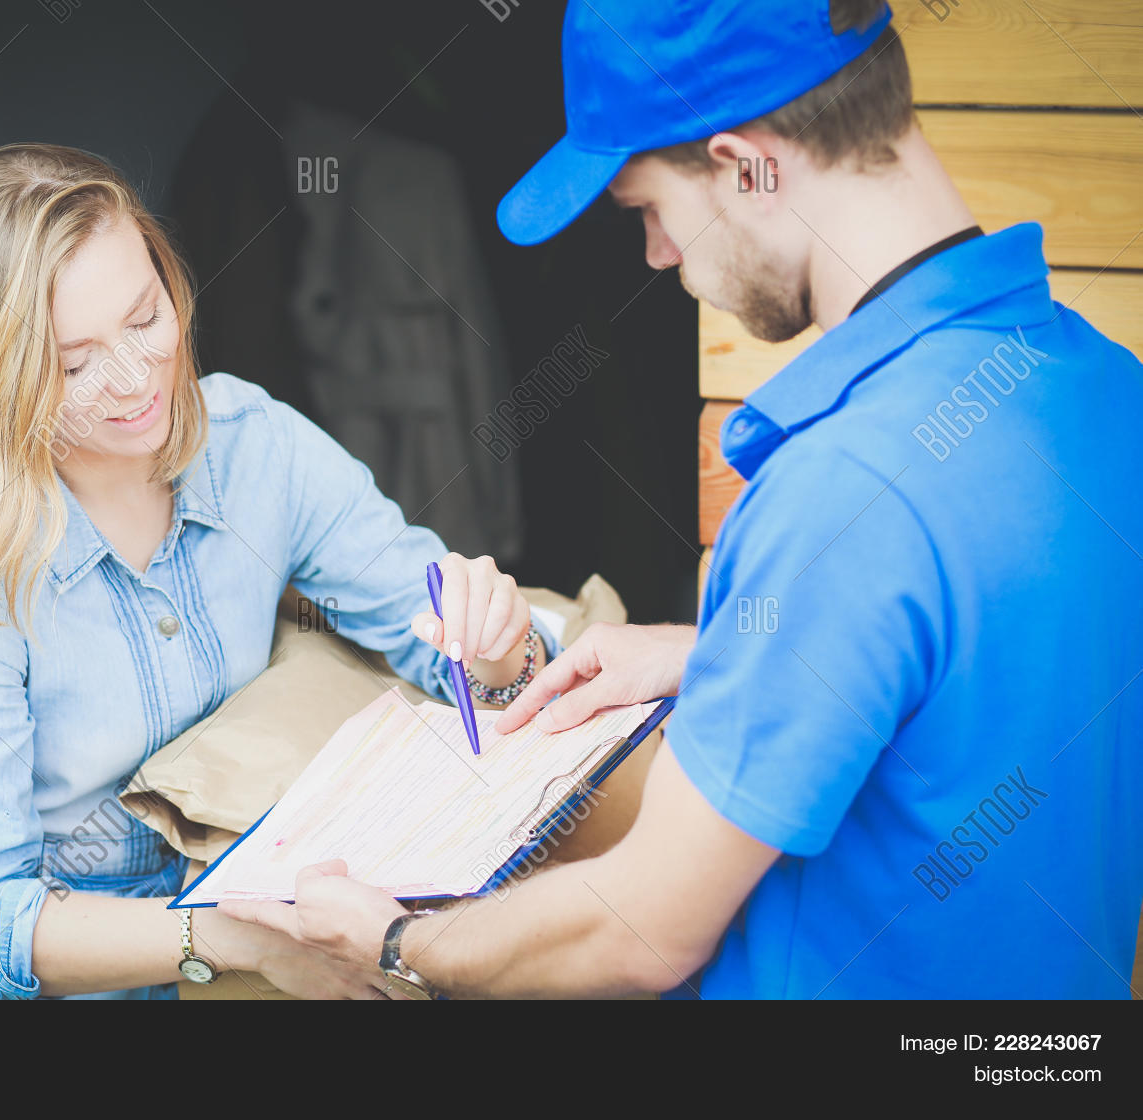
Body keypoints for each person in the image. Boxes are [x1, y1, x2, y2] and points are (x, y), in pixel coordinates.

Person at [225, 0, 1143, 998]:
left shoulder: (839, 491)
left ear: (747, 168)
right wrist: (722, 651)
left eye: (648, 209)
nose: (657, 255)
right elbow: (973, 667)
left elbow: (641, 932)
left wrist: (399, 942)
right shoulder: (1105, 388)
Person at [0, 141, 557, 1000]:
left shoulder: (256, 447)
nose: (136, 380)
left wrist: (497, 652)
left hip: (280, 918)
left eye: (145, 318)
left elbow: (435, 631)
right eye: (76, 363)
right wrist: (235, 940)